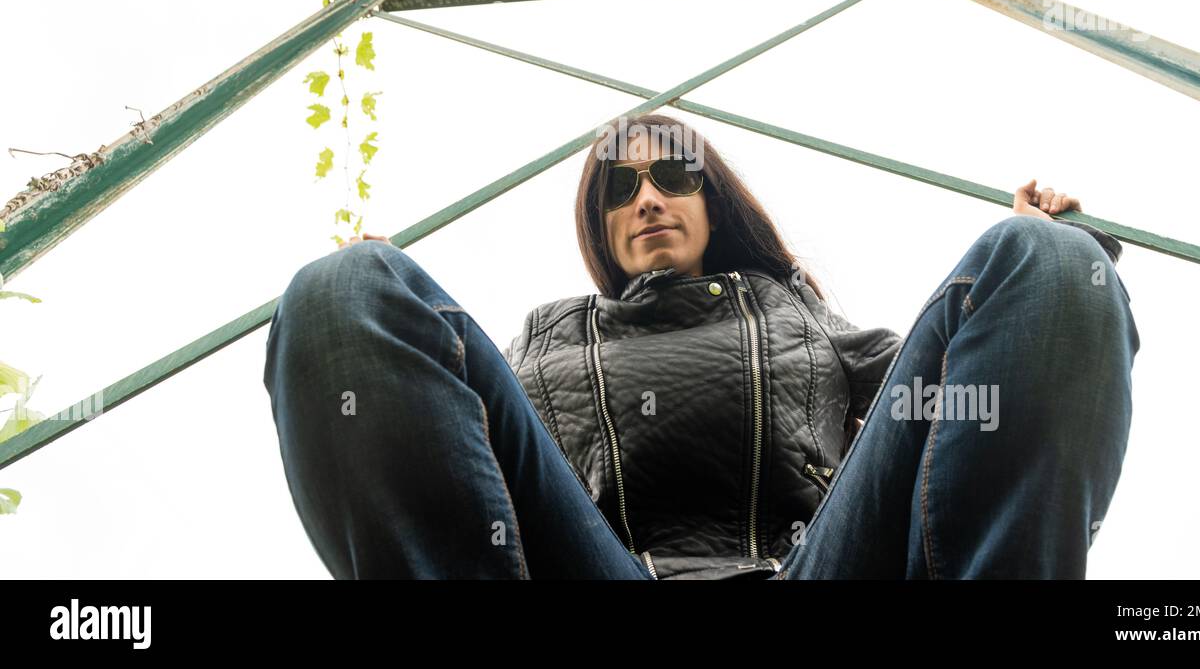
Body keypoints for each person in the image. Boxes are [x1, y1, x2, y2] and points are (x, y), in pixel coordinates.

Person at [263, 113, 1139, 579]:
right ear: (599, 225)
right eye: (621, 184)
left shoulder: (804, 320)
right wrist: (377, 313)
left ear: (711, 198)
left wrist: (1057, 258)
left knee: (1042, 262)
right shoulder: (537, 345)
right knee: (345, 289)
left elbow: (974, 371)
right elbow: (441, 437)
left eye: (673, 174)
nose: (648, 196)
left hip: (811, 568)